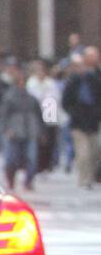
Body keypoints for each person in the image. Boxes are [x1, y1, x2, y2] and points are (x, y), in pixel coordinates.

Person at [0, 65, 42, 192]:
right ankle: (11, 182)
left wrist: (40, 130)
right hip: (14, 131)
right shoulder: (9, 97)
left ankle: (28, 181)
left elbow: (38, 114)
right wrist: (6, 129)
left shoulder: (31, 98)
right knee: (11, 159)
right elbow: (4, 115)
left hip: (30, 131)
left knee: (31, 158)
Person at [62, 46, 101, 189]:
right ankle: (85, 179)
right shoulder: (73, 80)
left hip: (93, 122)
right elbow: (64, 101)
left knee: (94, 152)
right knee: (83, 153)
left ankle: (90, 177)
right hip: (77, 122)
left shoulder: (96, 78)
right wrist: (51, 120)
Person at [25, 58, 60, 175]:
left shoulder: (50, 83)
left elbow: (55, 98)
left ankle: (47, 164)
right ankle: (38, 165)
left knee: (50, 141)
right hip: (36, 115)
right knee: (38, 141)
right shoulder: (31, 83)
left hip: (49, 114)